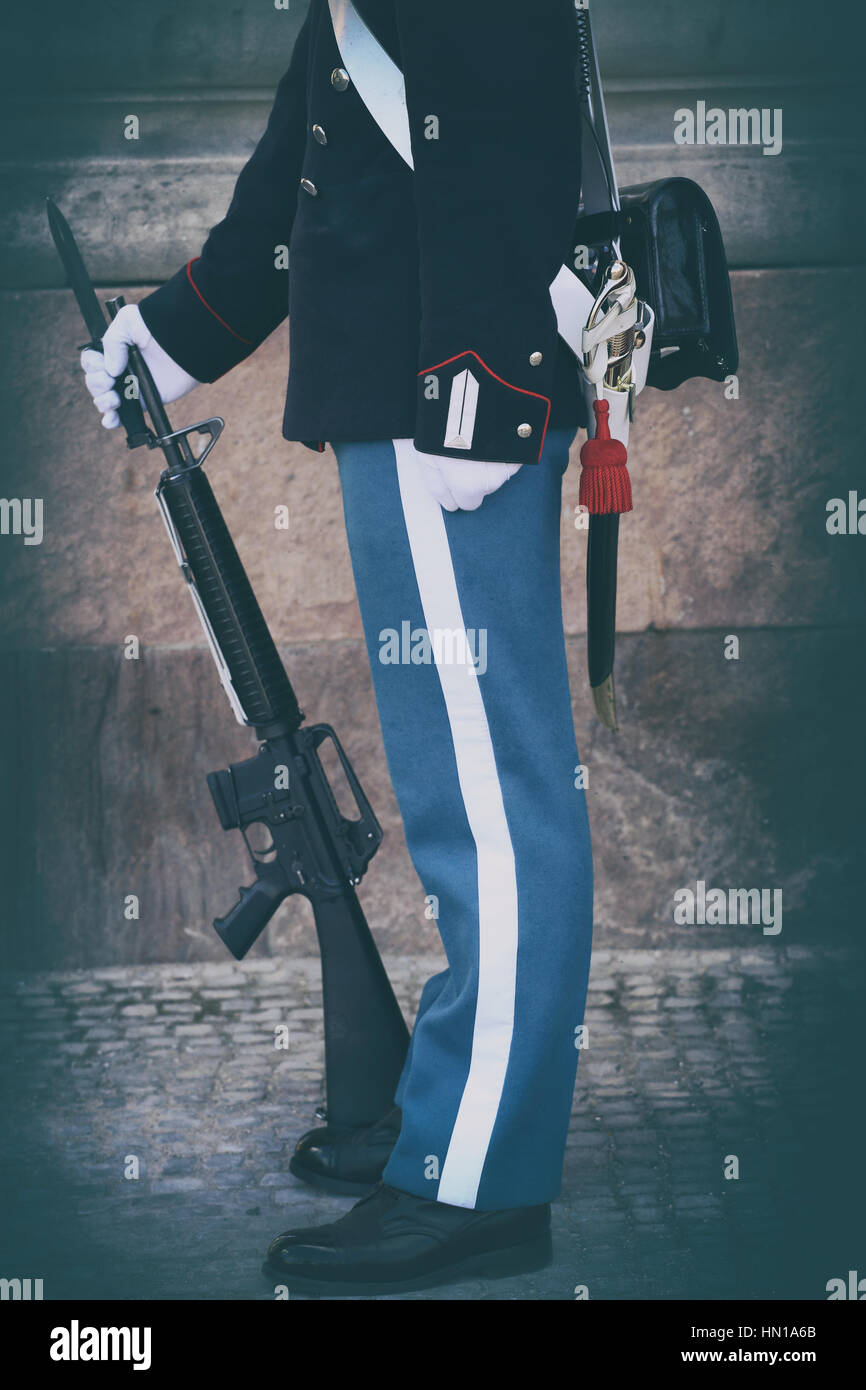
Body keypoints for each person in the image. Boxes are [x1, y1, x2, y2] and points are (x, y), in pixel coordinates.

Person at [80, 0, 594, 1297]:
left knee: (488, 793)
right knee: (455, 789)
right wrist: (176, 328)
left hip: (442, 386)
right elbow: (325, 129)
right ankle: (447, 1115)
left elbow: (506, 81)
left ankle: (477, 1175)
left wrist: (479, 377)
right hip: (402, 375)